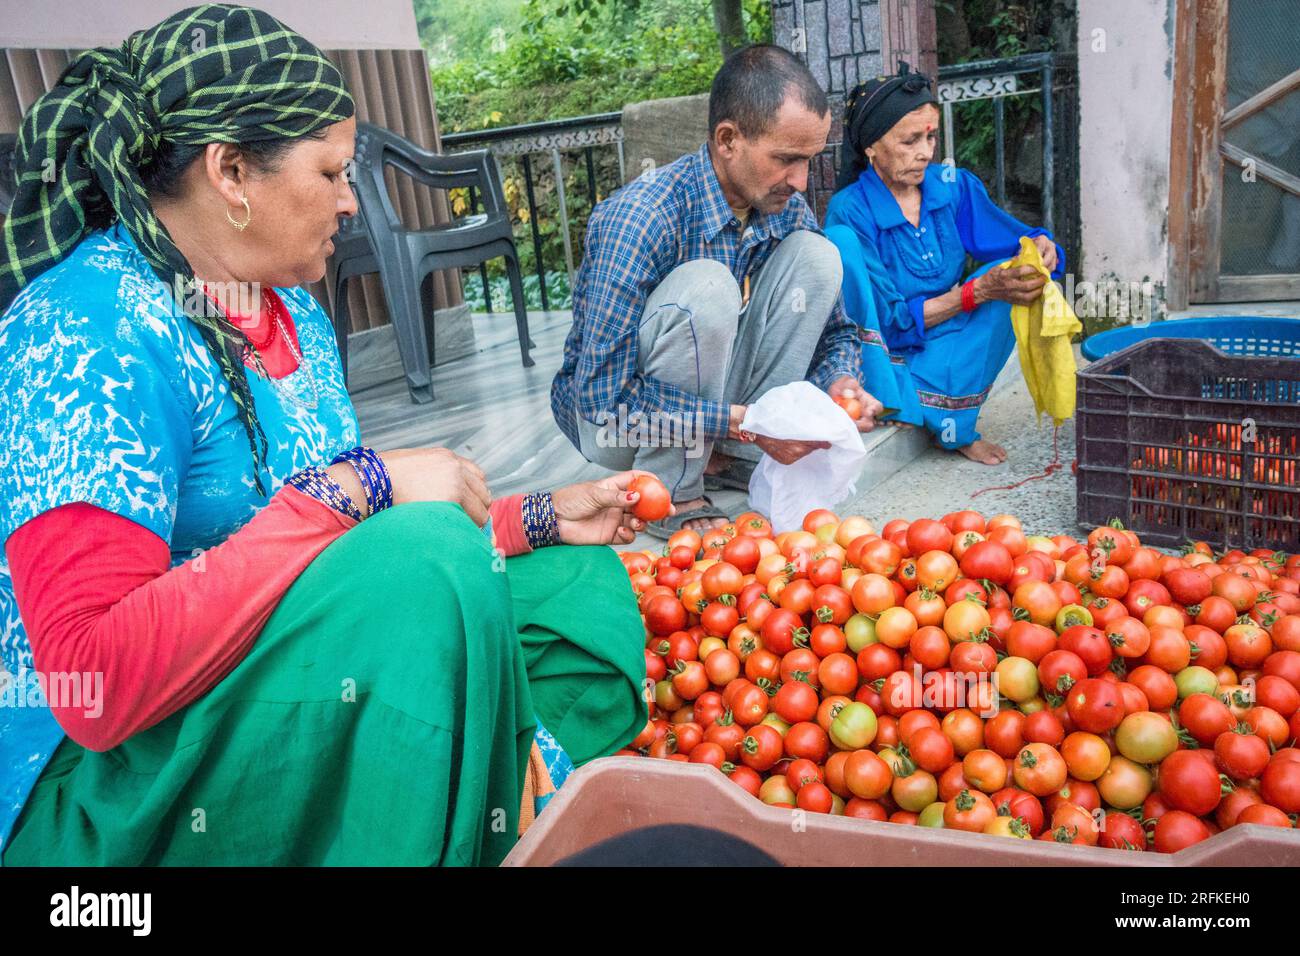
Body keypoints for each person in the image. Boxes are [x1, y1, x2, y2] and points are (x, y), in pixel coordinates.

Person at [0, 3, 652, 867]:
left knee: (576, 583)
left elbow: (333, 549)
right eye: (333, 173)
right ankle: (465, 792)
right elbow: (96, 684)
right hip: (112, 777)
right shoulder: (85, 332)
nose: (352, 201)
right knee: (432, 577)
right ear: (230, 171)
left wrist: (534, 521)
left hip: (266, 655)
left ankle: (469, 772)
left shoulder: (290, 310)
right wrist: (356, 488)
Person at [550, 44, 883, 538]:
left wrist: (840, 382)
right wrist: (746, 421)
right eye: (787, 160)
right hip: (612, 427)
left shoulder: (784, 206)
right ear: (727, 139)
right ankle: (673, 487)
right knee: (708, 288)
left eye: (810, 160)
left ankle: (730, 457)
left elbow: (835, 333)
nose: (801, 180)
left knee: (819, 255)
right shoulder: (641, 219)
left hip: (713, 406)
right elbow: (604, 402)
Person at [823, 62, 1066, 465]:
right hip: (894, 351)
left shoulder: (953, 187)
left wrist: (1042, 247)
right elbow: (892, 322)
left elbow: (1015, 241)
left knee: (1015, 274)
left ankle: (951, 413)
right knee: (988, 283)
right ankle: (918, 406)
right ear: (870, 147)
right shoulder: (850, 212)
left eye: (931, 136)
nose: (925, 152)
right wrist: (976, 292)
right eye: (909, 141)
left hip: (951, 337)